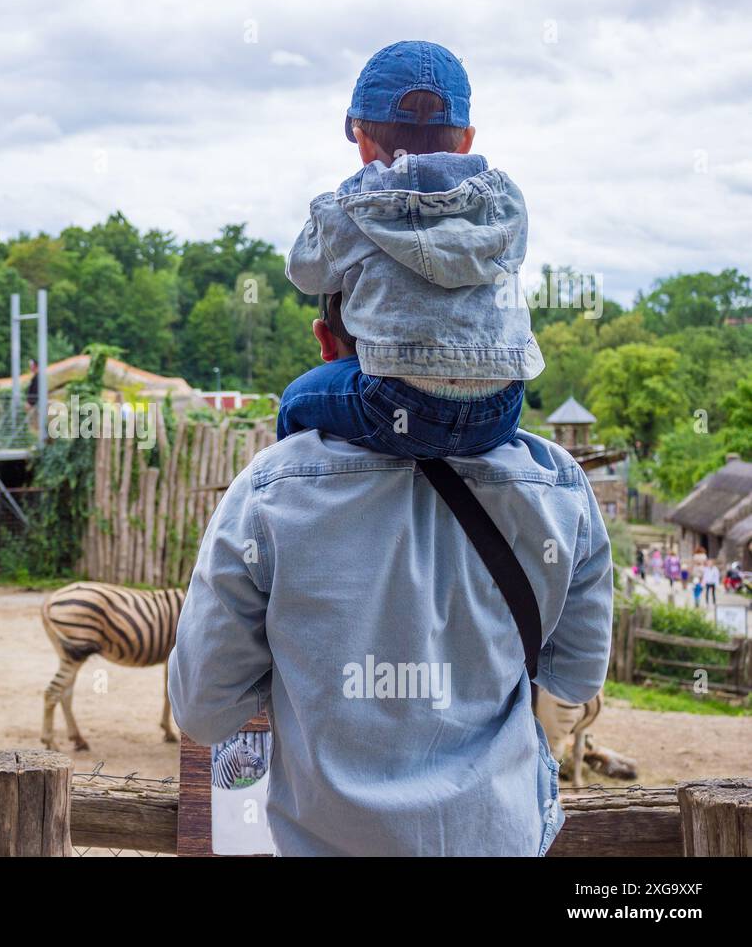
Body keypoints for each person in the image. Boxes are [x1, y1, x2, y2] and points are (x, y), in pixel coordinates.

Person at [168, 291, 613, 856]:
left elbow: (205, 711)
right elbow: (575, 679)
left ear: (326, 343)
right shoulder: (560, 486)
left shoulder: (269, 491)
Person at [280, 40, 539, 457]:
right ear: (466, 141)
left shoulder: (353, 210)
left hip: (395, 405)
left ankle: (298, 490)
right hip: (501, 407)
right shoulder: (503, 206)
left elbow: (304, 273)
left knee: (295, 401)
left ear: (362, 143)